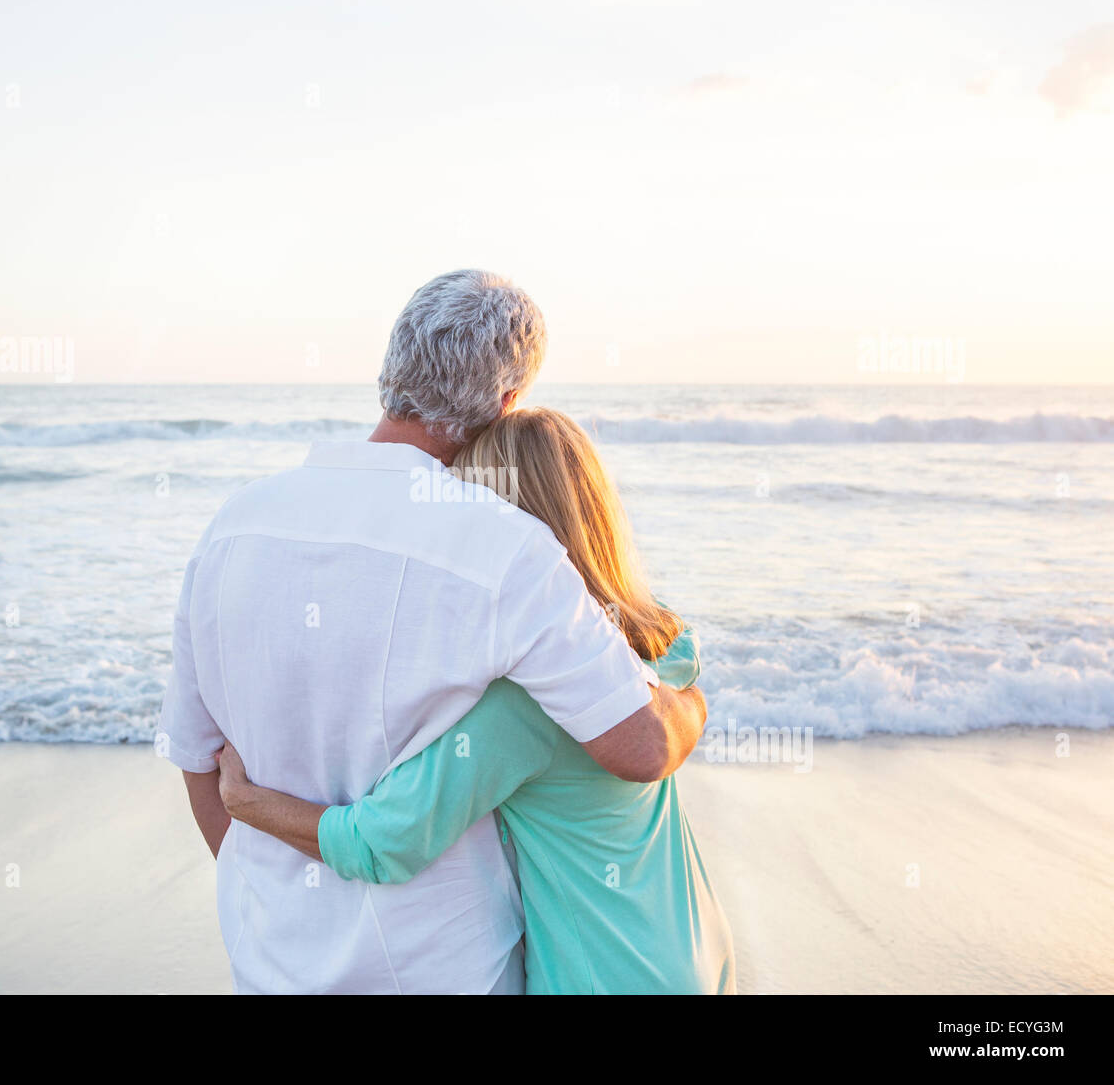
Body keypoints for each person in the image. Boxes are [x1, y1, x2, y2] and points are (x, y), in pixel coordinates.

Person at [157, 270, 707, 993]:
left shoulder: (233, 526)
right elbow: (641, 744)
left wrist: (275, 900)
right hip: (443, 970)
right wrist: (688, 683)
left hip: (267, 961)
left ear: (391, 369)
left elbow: (198, 758)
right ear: (509, 401)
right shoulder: (508, 548)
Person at [216, 408, 735, 994]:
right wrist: (693, 705)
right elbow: (682, 679)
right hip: (695, 952)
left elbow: (381, 842)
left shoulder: (527, 706)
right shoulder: (654, 641)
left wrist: (245, 800)